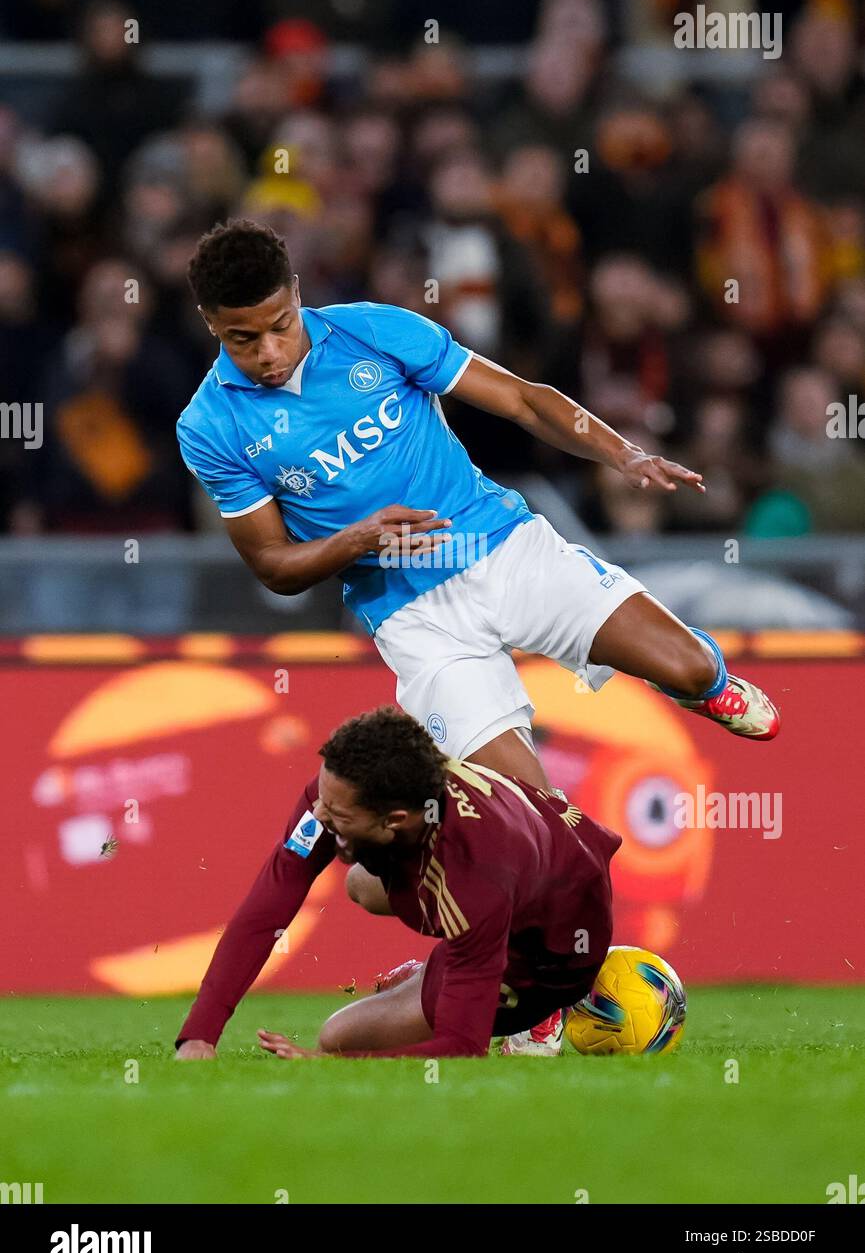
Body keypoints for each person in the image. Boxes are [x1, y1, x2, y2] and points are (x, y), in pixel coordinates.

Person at [176, 217, 780, 1053]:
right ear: (213, 327)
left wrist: (622, 455)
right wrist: (359, 540)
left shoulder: (375, 332)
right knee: (538, 825)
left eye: (279, 326)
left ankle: (704, 684)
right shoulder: (210, 426)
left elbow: (525, 398)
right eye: (244, 339)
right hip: (415, 623)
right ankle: (530, 1004)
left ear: (298, 299)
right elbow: (275, 566)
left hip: (501, 547)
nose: (269, 351)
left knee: (683, 661)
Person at [176, 706, 620, 1061]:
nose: (320, 818)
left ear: (395, 820)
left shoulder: (473, 878)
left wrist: (328, 1064)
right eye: (322, 799)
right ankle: (442, 974)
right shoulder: (355, 789)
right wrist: (200, 1035)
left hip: (548, 958)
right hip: (520, 874)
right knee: (358, 882)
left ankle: (502, 997)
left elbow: (461, 1048)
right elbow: (268, 907)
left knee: (337, 1038)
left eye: (339, 816)